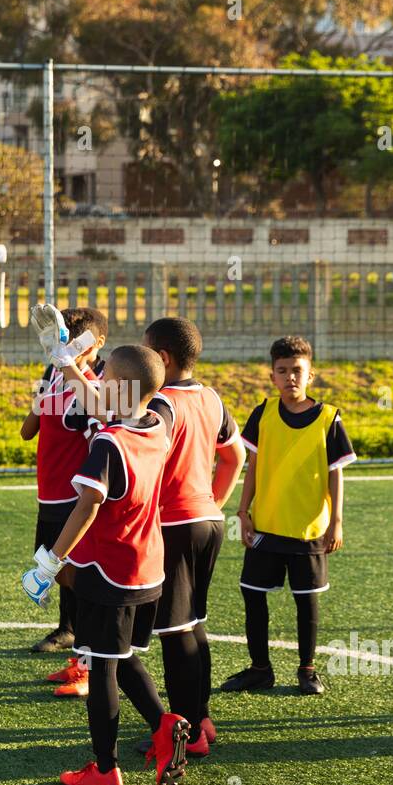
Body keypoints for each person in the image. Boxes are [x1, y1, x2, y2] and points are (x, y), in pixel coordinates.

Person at [21, 329, 191, 785]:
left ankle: (105, 767)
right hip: (147, 569)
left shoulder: (108, 444)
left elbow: (86, 507)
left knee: (101, 667)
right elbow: (105, 401)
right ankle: (165, 724)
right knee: (122, 656)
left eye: (106, 377)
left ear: (118, 388)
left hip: (107, 570)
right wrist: (68, 365)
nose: (98, 382)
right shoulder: (158, 423)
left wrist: (50, 562)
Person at [225, 336, 355, 697]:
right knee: (252, 595)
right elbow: (251, 465)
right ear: (272, 376)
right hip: (266, 524)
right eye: (282, 371)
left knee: (306, 601)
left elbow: (335, 472)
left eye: (297, 371)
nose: (290, 378)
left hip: (309, 529)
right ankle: (259, 669)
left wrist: (337, 521)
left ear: (310, 374)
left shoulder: (328, 417)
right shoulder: (263, 413)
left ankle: (307, 670)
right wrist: (242, 510)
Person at [139, 316, 244, 756]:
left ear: (162, 358)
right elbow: (235, 456)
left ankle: (188, 734)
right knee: (193, 623)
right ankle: (201, 717)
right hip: (208, 522)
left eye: (146, 354)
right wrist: (213, 504)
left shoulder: (162, 404)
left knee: (175, 630)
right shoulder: (212, 397)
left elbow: (143, 459)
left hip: (174, 526)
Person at [19, 307, 108, 661]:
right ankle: (71, 631)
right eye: (58, 340)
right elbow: (28, 431)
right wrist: (43, 397)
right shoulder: (53, 374)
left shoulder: (95, 385)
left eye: (72, 341)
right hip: (48, 492)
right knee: (57, 571)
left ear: (95, 343)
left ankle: (87, 652)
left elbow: (100, 437)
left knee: (74, 573)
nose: (64, 348)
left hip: (74, 496)